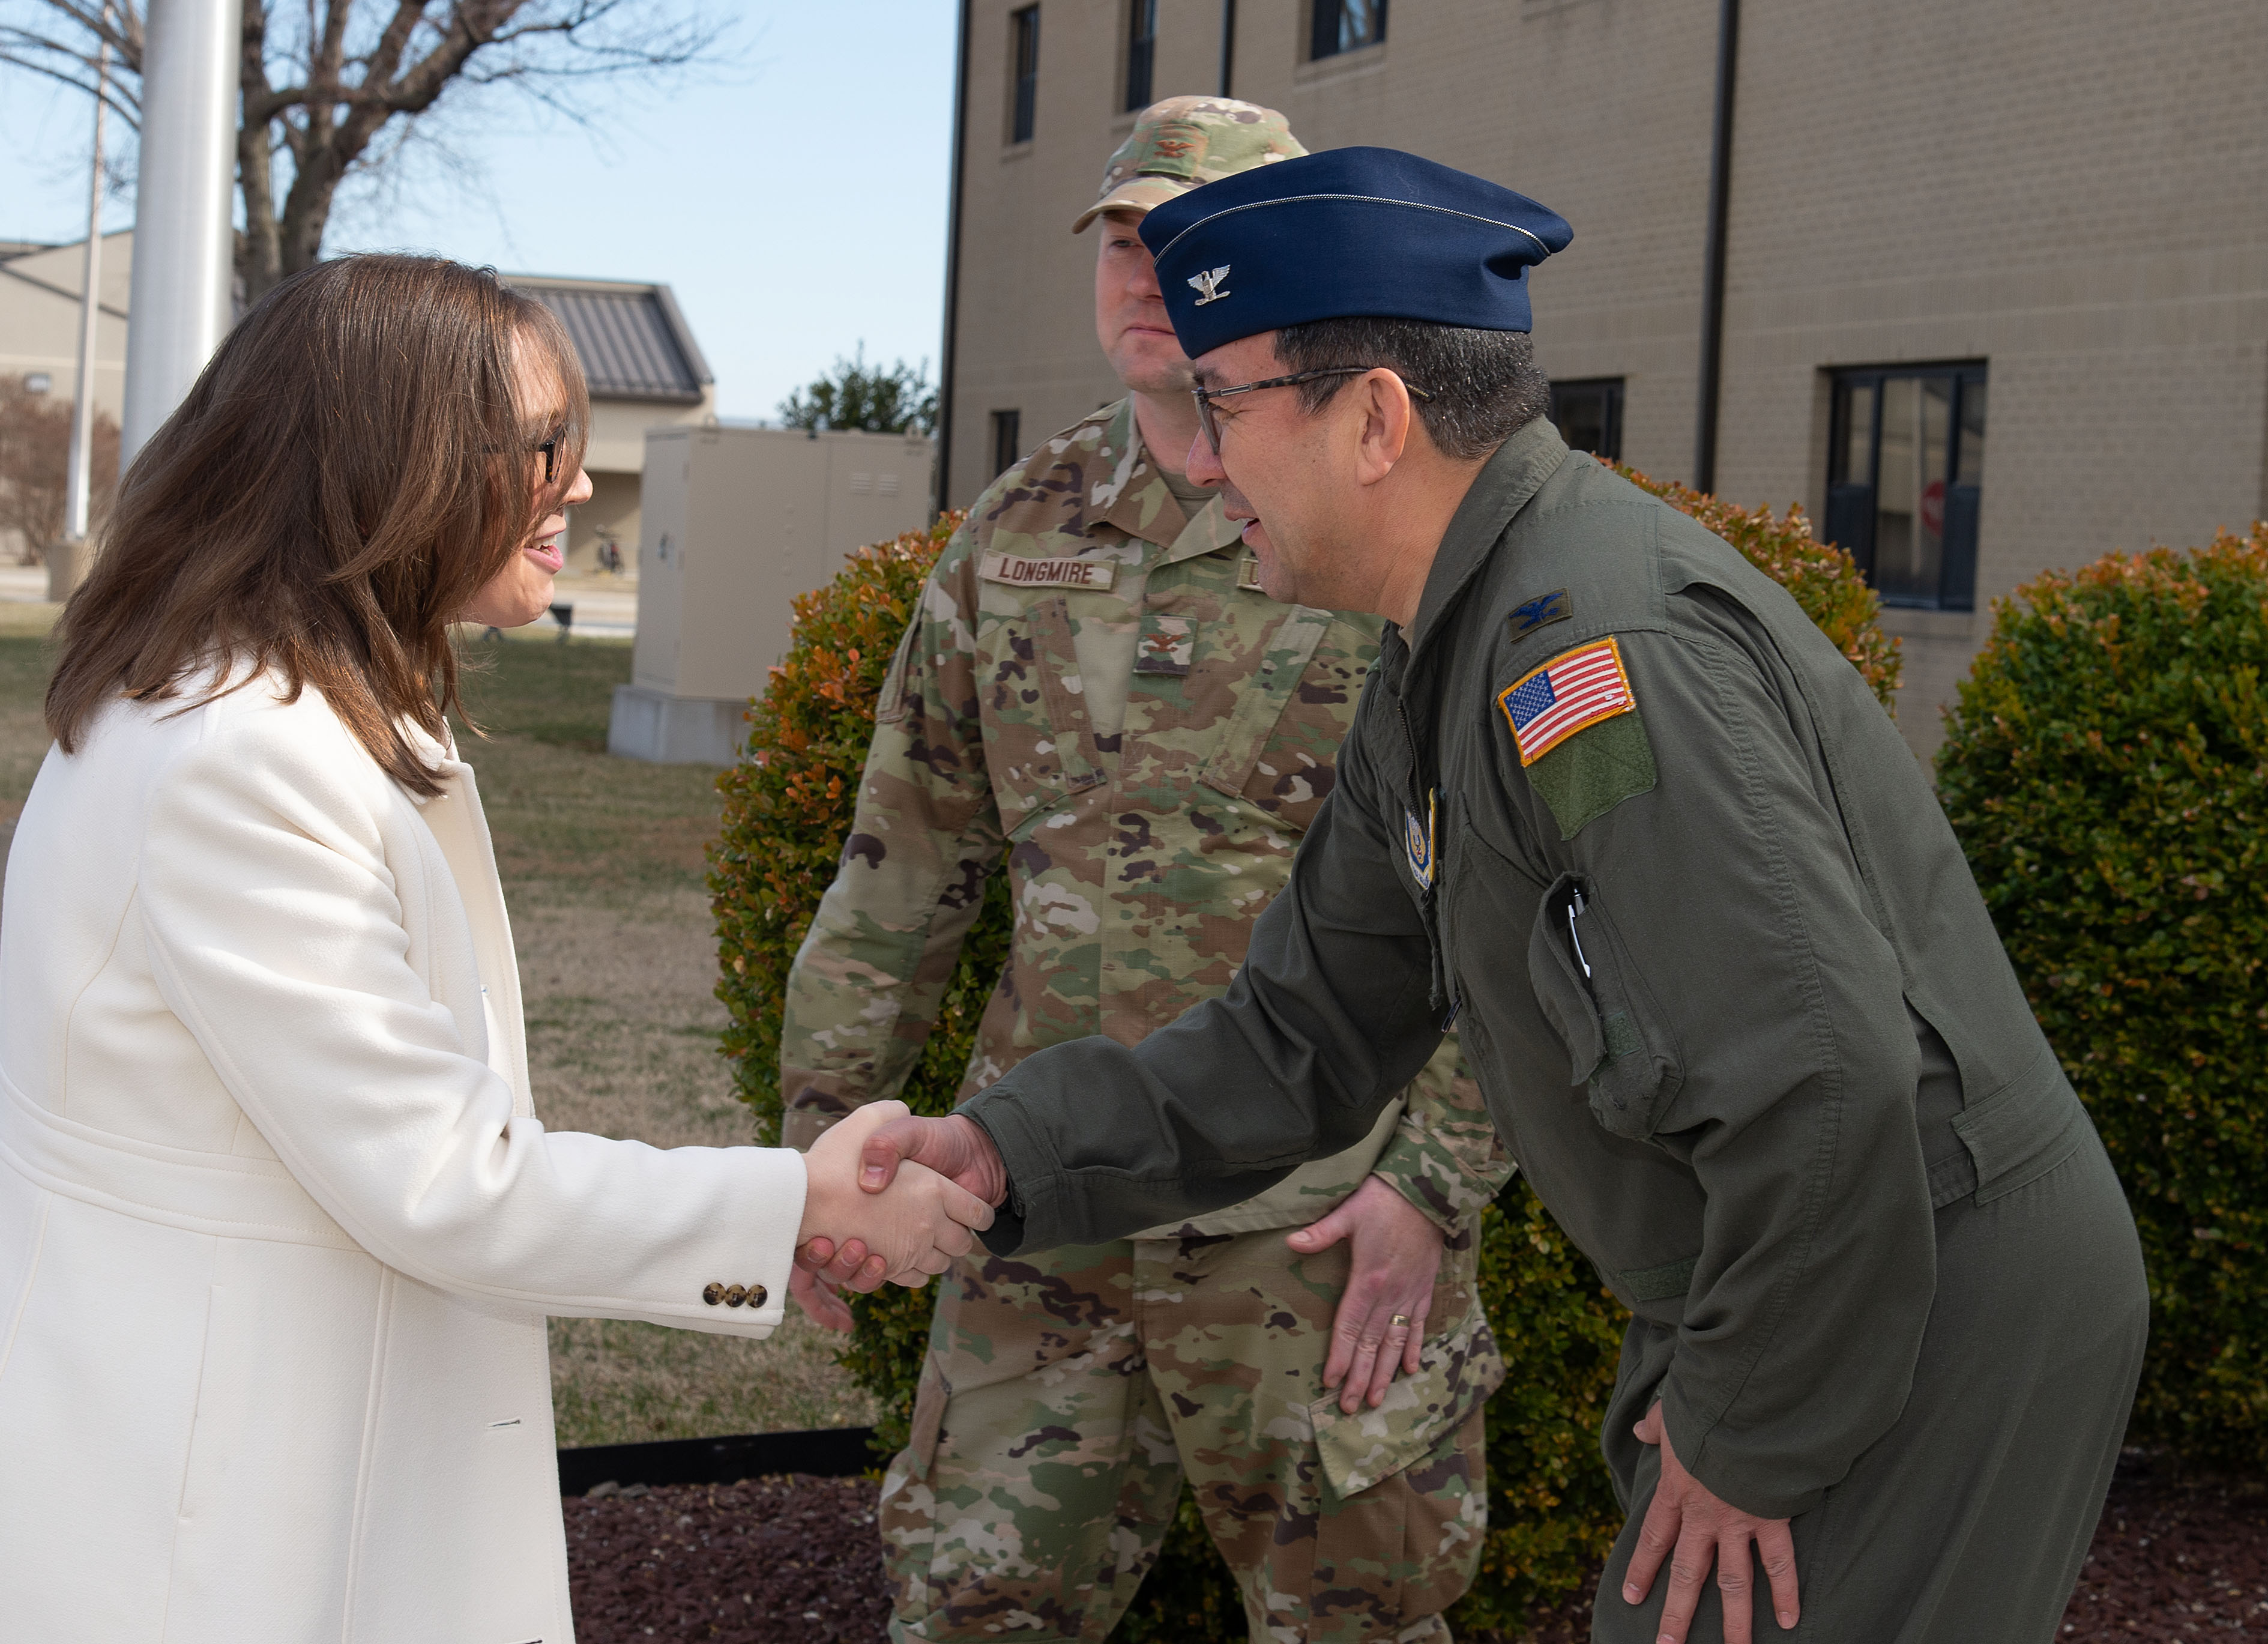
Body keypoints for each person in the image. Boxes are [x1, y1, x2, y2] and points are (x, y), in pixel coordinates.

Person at [849, 148, 2150, 1644]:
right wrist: (1008, 1153)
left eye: (1224, 405)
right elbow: (1300, 1036)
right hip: (1810, 1270)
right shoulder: (1443, 651)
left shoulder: (1590, 661)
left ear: (1375, 422)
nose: (1198, 464)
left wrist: (1746, 1432)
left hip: (1909, 1289)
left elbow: (1825, 1076)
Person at [0, 254, 990, 1644]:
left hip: (245, 1461)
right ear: (394, 467)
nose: (576, 485)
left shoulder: (294, 706)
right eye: (543, 448)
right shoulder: (236, 758)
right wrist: (792, 1207)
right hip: (172, 1524)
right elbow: (442, 1176)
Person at [780, 101, 1509, 1643]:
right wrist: (814, 1158)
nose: (1138, 271)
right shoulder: (1018, 532)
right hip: (1033, 1206)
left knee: (1356, 1625)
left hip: (1307, 1229)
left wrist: (1428, 1192)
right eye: (1120, 238)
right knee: (969, 1614)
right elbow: (901, 865)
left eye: (1184, 241)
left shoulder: (1396, 535)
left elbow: (1516, 901)